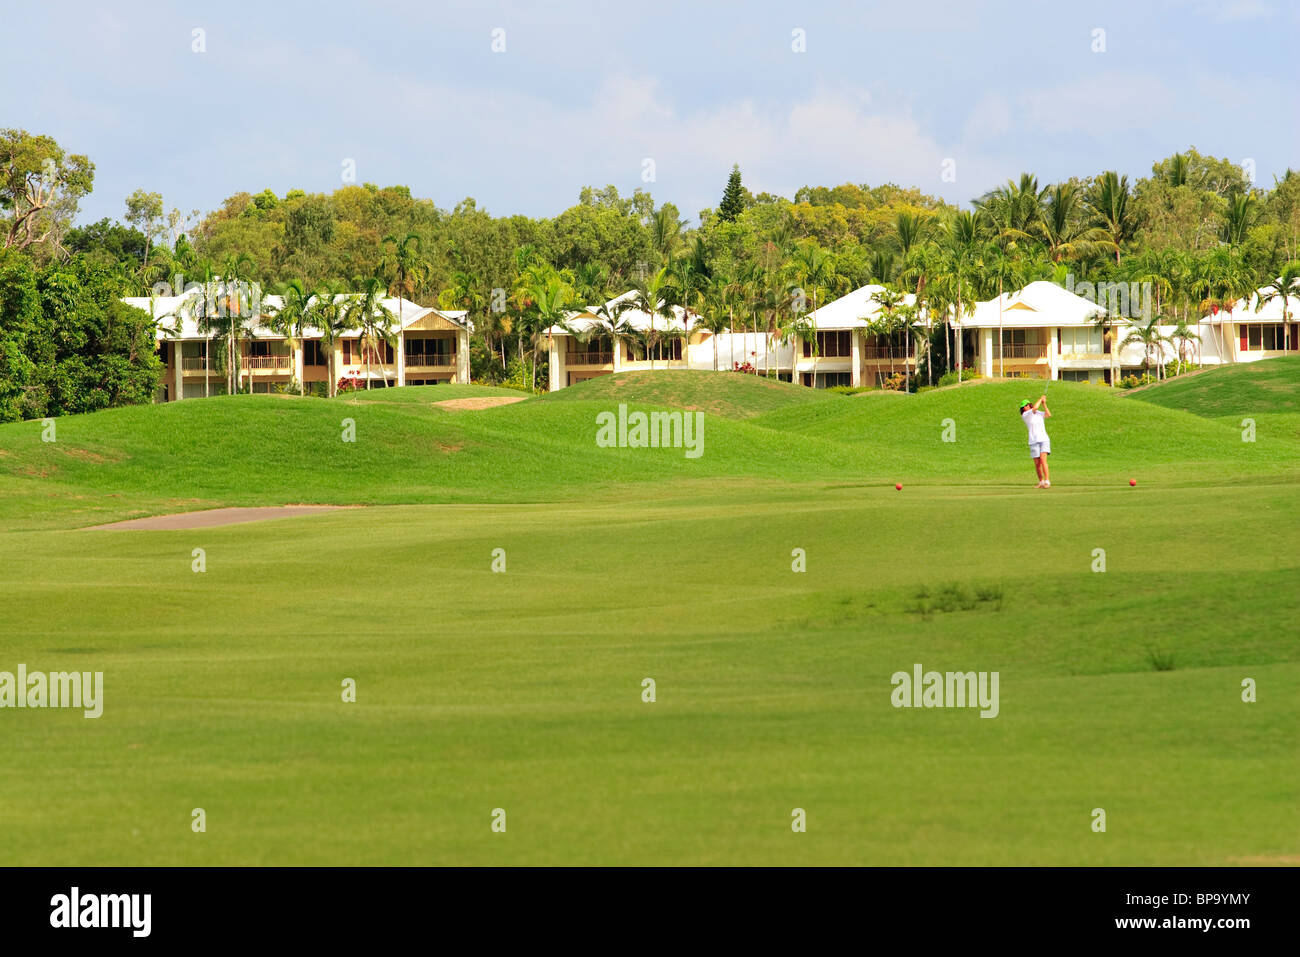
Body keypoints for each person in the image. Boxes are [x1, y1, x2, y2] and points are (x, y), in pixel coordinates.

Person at [1019, 396, 1052, 488]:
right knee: (1037, 464)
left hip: (1044, 439)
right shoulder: (1026, 415)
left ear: (1029, 405)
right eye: (1023, 407)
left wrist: (1044, 403)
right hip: (1033, 441)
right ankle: (1041, 481)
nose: (1024, 407)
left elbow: (1048, 414)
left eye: (1025, 405)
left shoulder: (1038, 413)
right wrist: (1040, 399)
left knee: (1043, 459)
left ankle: (1047, 481)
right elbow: (1035, 408)